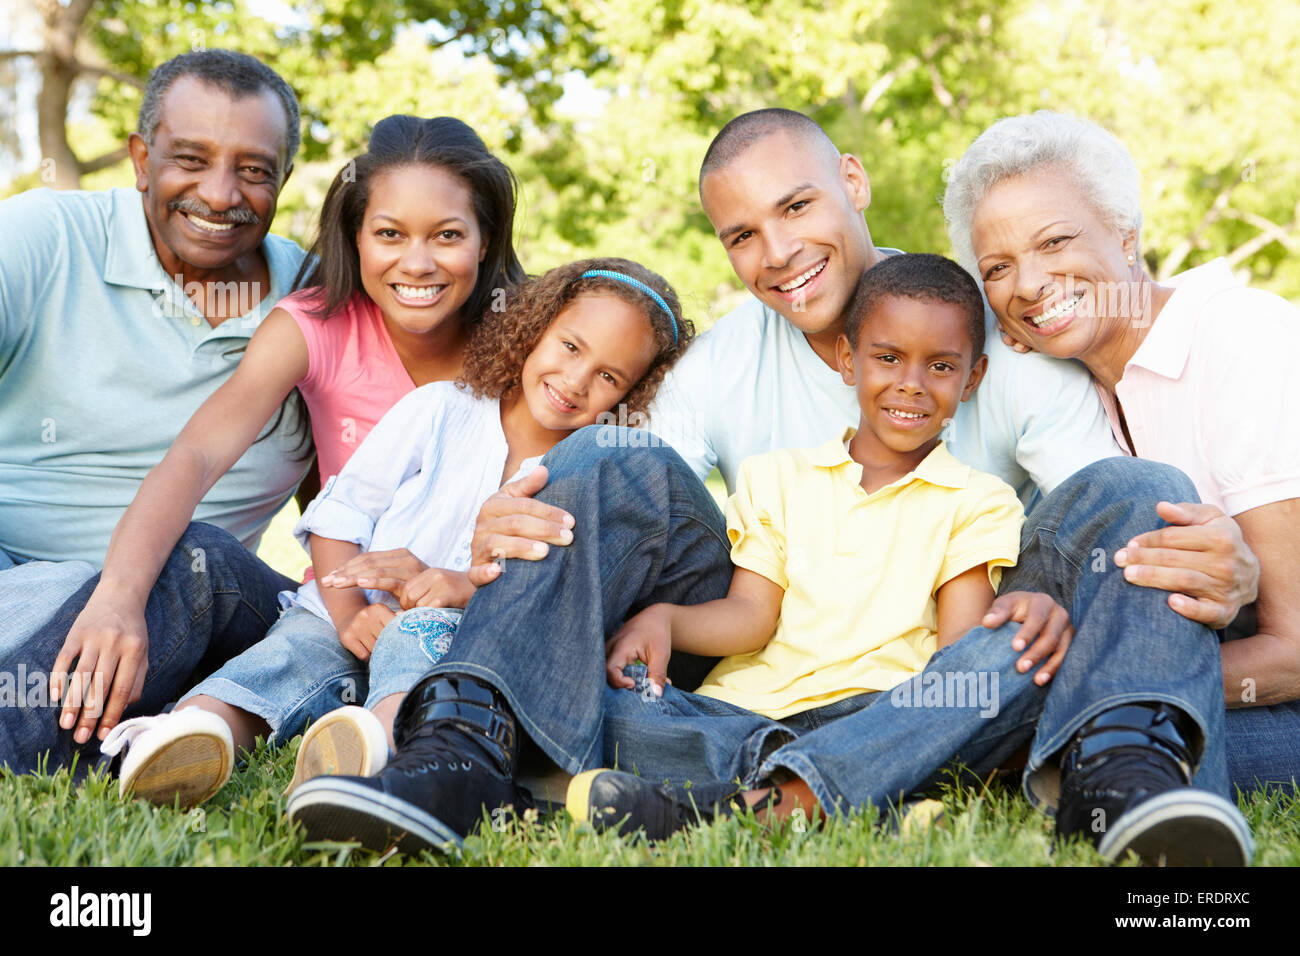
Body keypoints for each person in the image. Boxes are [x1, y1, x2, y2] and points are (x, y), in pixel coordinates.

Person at [284, 109, 1258, 865]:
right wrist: (537, 512)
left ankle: (1121, 778)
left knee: (1139, 489)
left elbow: (1102, 517)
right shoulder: (725, 364)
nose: (777, 253)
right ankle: (456, 749)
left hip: (956, 676)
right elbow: (641, 507)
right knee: (607, 458)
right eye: (741, 234)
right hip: (759, 673)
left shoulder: (978, 332)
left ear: (853, 179)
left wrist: (1155, 566)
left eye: (795, 208)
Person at [5, 112, 525, 776]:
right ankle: (147, 737)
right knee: (200, 558)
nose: (416, 263)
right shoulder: (318, 325)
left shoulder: (531, 342)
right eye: (389, 234)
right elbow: (194, 459)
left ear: (485, 241)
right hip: (334, 612)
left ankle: (384, 739)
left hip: (476, 611)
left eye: (448, 235)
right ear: (356, 238)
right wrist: (118, 599)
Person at [97, 258, 693, 809]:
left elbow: (549, 604)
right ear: (535, 327)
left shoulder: (585, 478)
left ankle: (369, 753)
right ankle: (190, 729)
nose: (575, 379)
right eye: (569, 346)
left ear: (631, 394)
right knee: (288, 659)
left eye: (609, 376)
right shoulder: (439, 409)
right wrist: (351, 613)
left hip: (449, 640)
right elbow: (338, 519)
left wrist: (459, 587)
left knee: (415, 662)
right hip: (343, 611)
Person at [566, 253, 1060, 837]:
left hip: (875, 715)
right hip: (745, 713)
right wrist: (665, 620)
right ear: (849, 361)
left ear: (972, 379)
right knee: (618, 708)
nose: (911, 383)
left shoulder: (980, 500)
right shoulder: (776, 476)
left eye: (941, 367)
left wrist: (936, 709)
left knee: (997, 672)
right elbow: (752, 616)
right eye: (888, 358)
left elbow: (956, 659)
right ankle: (855, 795)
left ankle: (727, 805)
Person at [944, 109, 1300, 795]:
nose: (1028, 284)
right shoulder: (1076, 387)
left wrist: (1091, 685)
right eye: (999, 268)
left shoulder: (1240, 338)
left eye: (1055, 242)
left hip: (1285, 694)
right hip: (1193, 673)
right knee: (1019, 745)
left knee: (1037, 752)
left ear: (1126, 234)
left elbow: (1293, 648)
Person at [0, 49, 307, 769]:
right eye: (190, 159)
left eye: (254, 170)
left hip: (181, 602)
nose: (221, 193)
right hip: (16, 574)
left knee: (192, 561)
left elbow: (365, 489)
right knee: (58, 591)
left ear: (282, 181)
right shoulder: (47, 236)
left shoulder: (317, 308)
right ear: (142, 159)